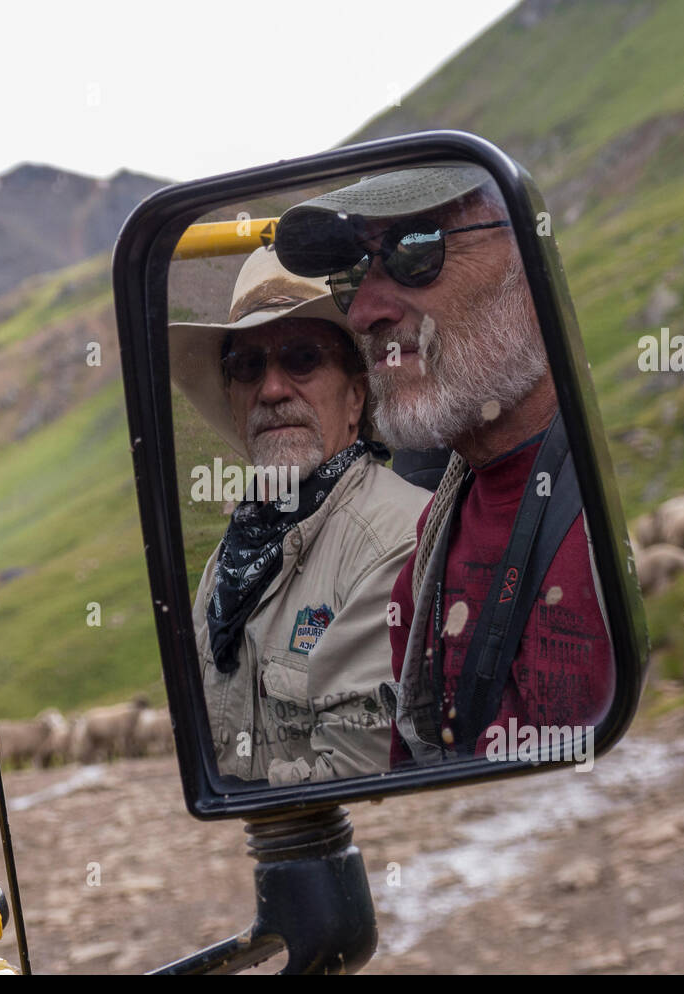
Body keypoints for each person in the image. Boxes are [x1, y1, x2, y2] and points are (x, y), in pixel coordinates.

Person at [275, 166, 614, 768]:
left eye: (415, 250)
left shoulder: (615, 509)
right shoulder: (432, 542)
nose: (363, 314)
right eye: (353, 276)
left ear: (529, 271)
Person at [168, 246, 429, 784]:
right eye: (246, 366)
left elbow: (361, 777)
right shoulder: (229, 563)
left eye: (303, 358)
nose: (271, 388)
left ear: (357, 396)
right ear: (234, 401)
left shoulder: (397, 540)